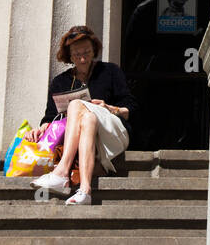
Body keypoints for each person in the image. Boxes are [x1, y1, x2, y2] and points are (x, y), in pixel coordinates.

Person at [30, 24, 137, 205]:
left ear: (94, 50)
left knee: (77, 105)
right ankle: (85, 190)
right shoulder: (60, 81)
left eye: (86, 52)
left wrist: (110, 108)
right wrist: (40, 128)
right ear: (69, 56)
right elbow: (50, 117)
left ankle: (62, 172)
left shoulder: (110, 71)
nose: (82, 58)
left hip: (112, 135)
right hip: (84, 138)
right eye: (77, 55)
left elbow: (131, 107)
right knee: (87, 117)